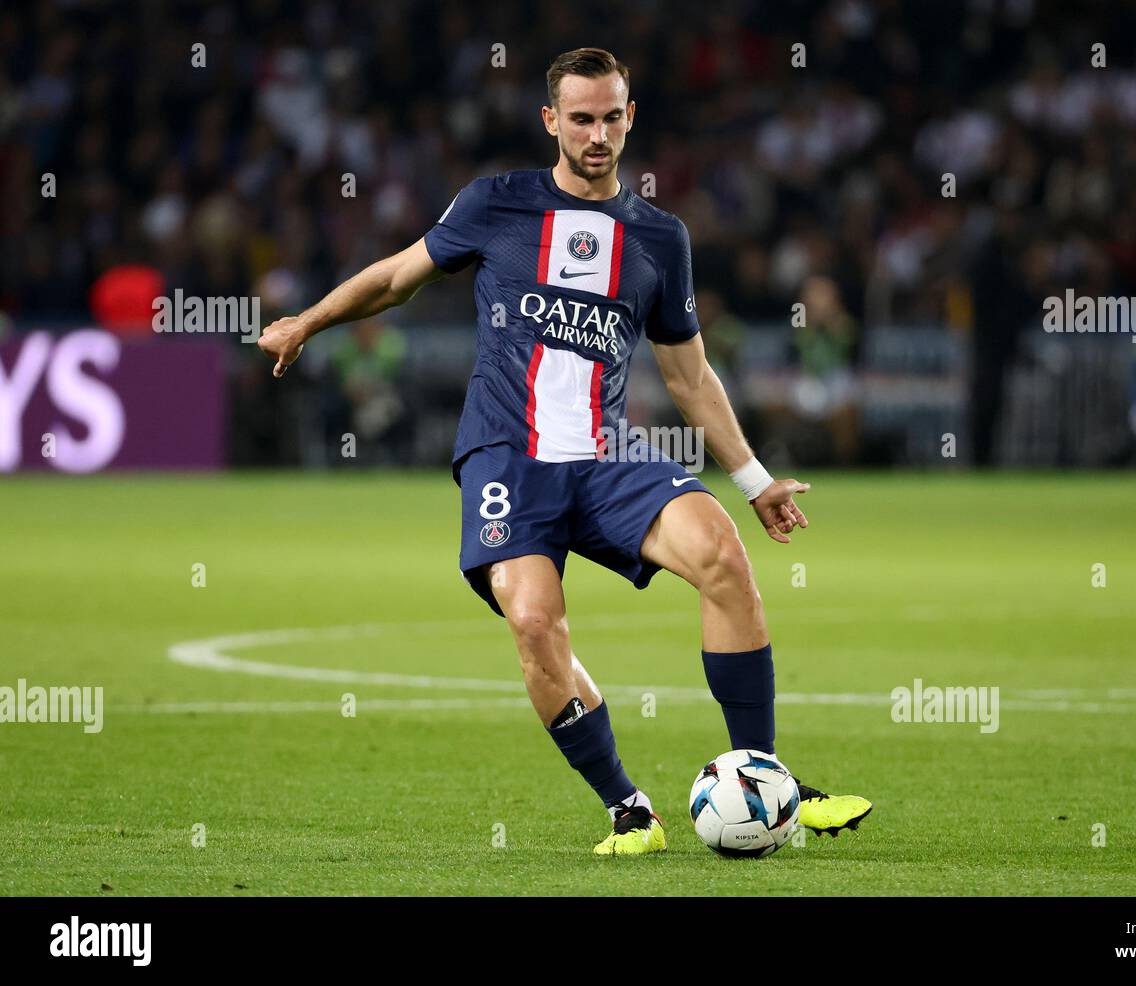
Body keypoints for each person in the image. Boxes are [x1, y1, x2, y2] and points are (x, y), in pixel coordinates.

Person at [257, 47, 872, 855]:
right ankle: (628, 807)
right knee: (536, 621)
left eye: (611, 116)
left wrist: (754, 480)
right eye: (580, 118)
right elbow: (395, 278)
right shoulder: (494, 204)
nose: (597, 134)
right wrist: (307, 322)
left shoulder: (659, 237)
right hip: (506, 454)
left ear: (630, 117)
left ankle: (765, 778)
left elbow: (689, 376)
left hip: (607, 450)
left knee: (722, 553)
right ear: (551, 120)